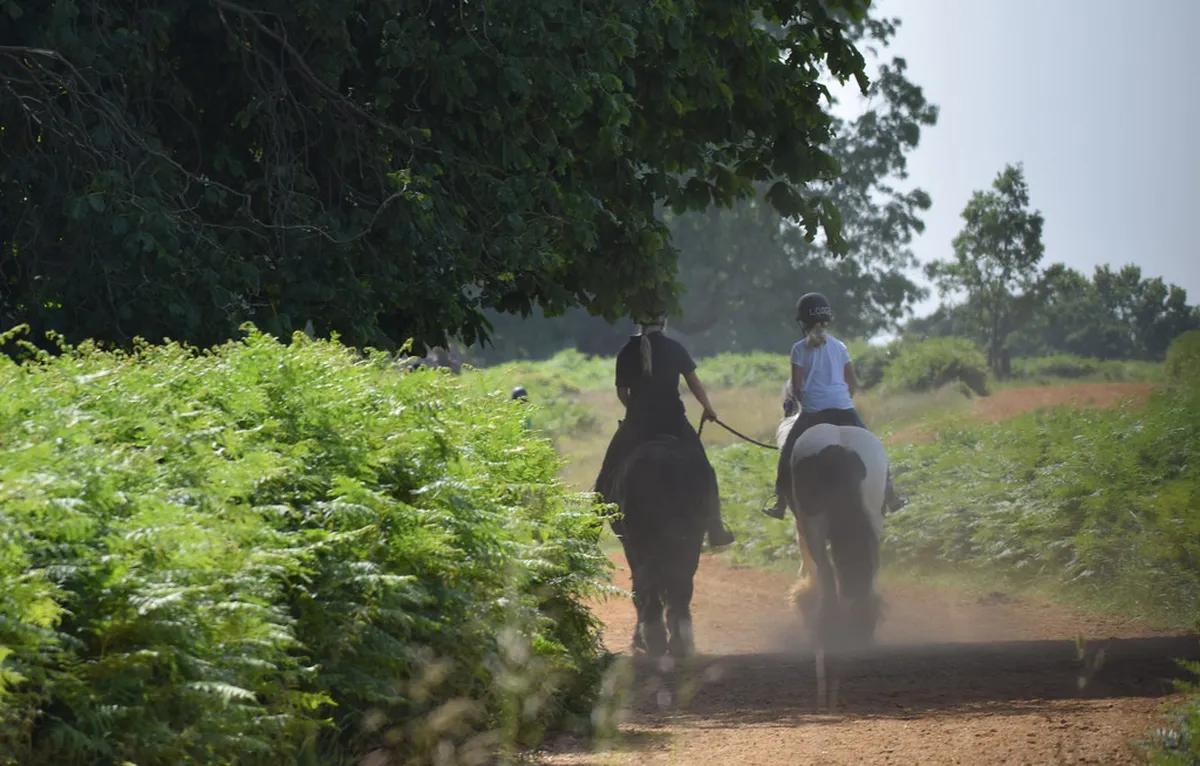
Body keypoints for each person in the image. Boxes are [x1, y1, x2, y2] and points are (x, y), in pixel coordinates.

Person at [594, 315, 736, 547]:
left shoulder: (627, 351)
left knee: (607, 472)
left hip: (637, 425)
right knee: (704, 469)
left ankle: (590, 530)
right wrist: (708, 409)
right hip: (674, 422)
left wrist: (637, 412)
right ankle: (715, 527)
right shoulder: (674, 348)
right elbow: (694, 382)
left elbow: (622, 392)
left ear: (640, 321)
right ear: (663, 321)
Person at [763, 292, 903, 519]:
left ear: (802, 322)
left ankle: (779, 501)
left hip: (813, 413)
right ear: (827, 320)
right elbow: (852, 383)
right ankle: (891, 495)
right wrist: (842, 399)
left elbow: (797, 387)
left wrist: (803, 404)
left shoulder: (799, 349)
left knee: (788, 452)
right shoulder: (840, 347)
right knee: (875, 447)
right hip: (844, 410)